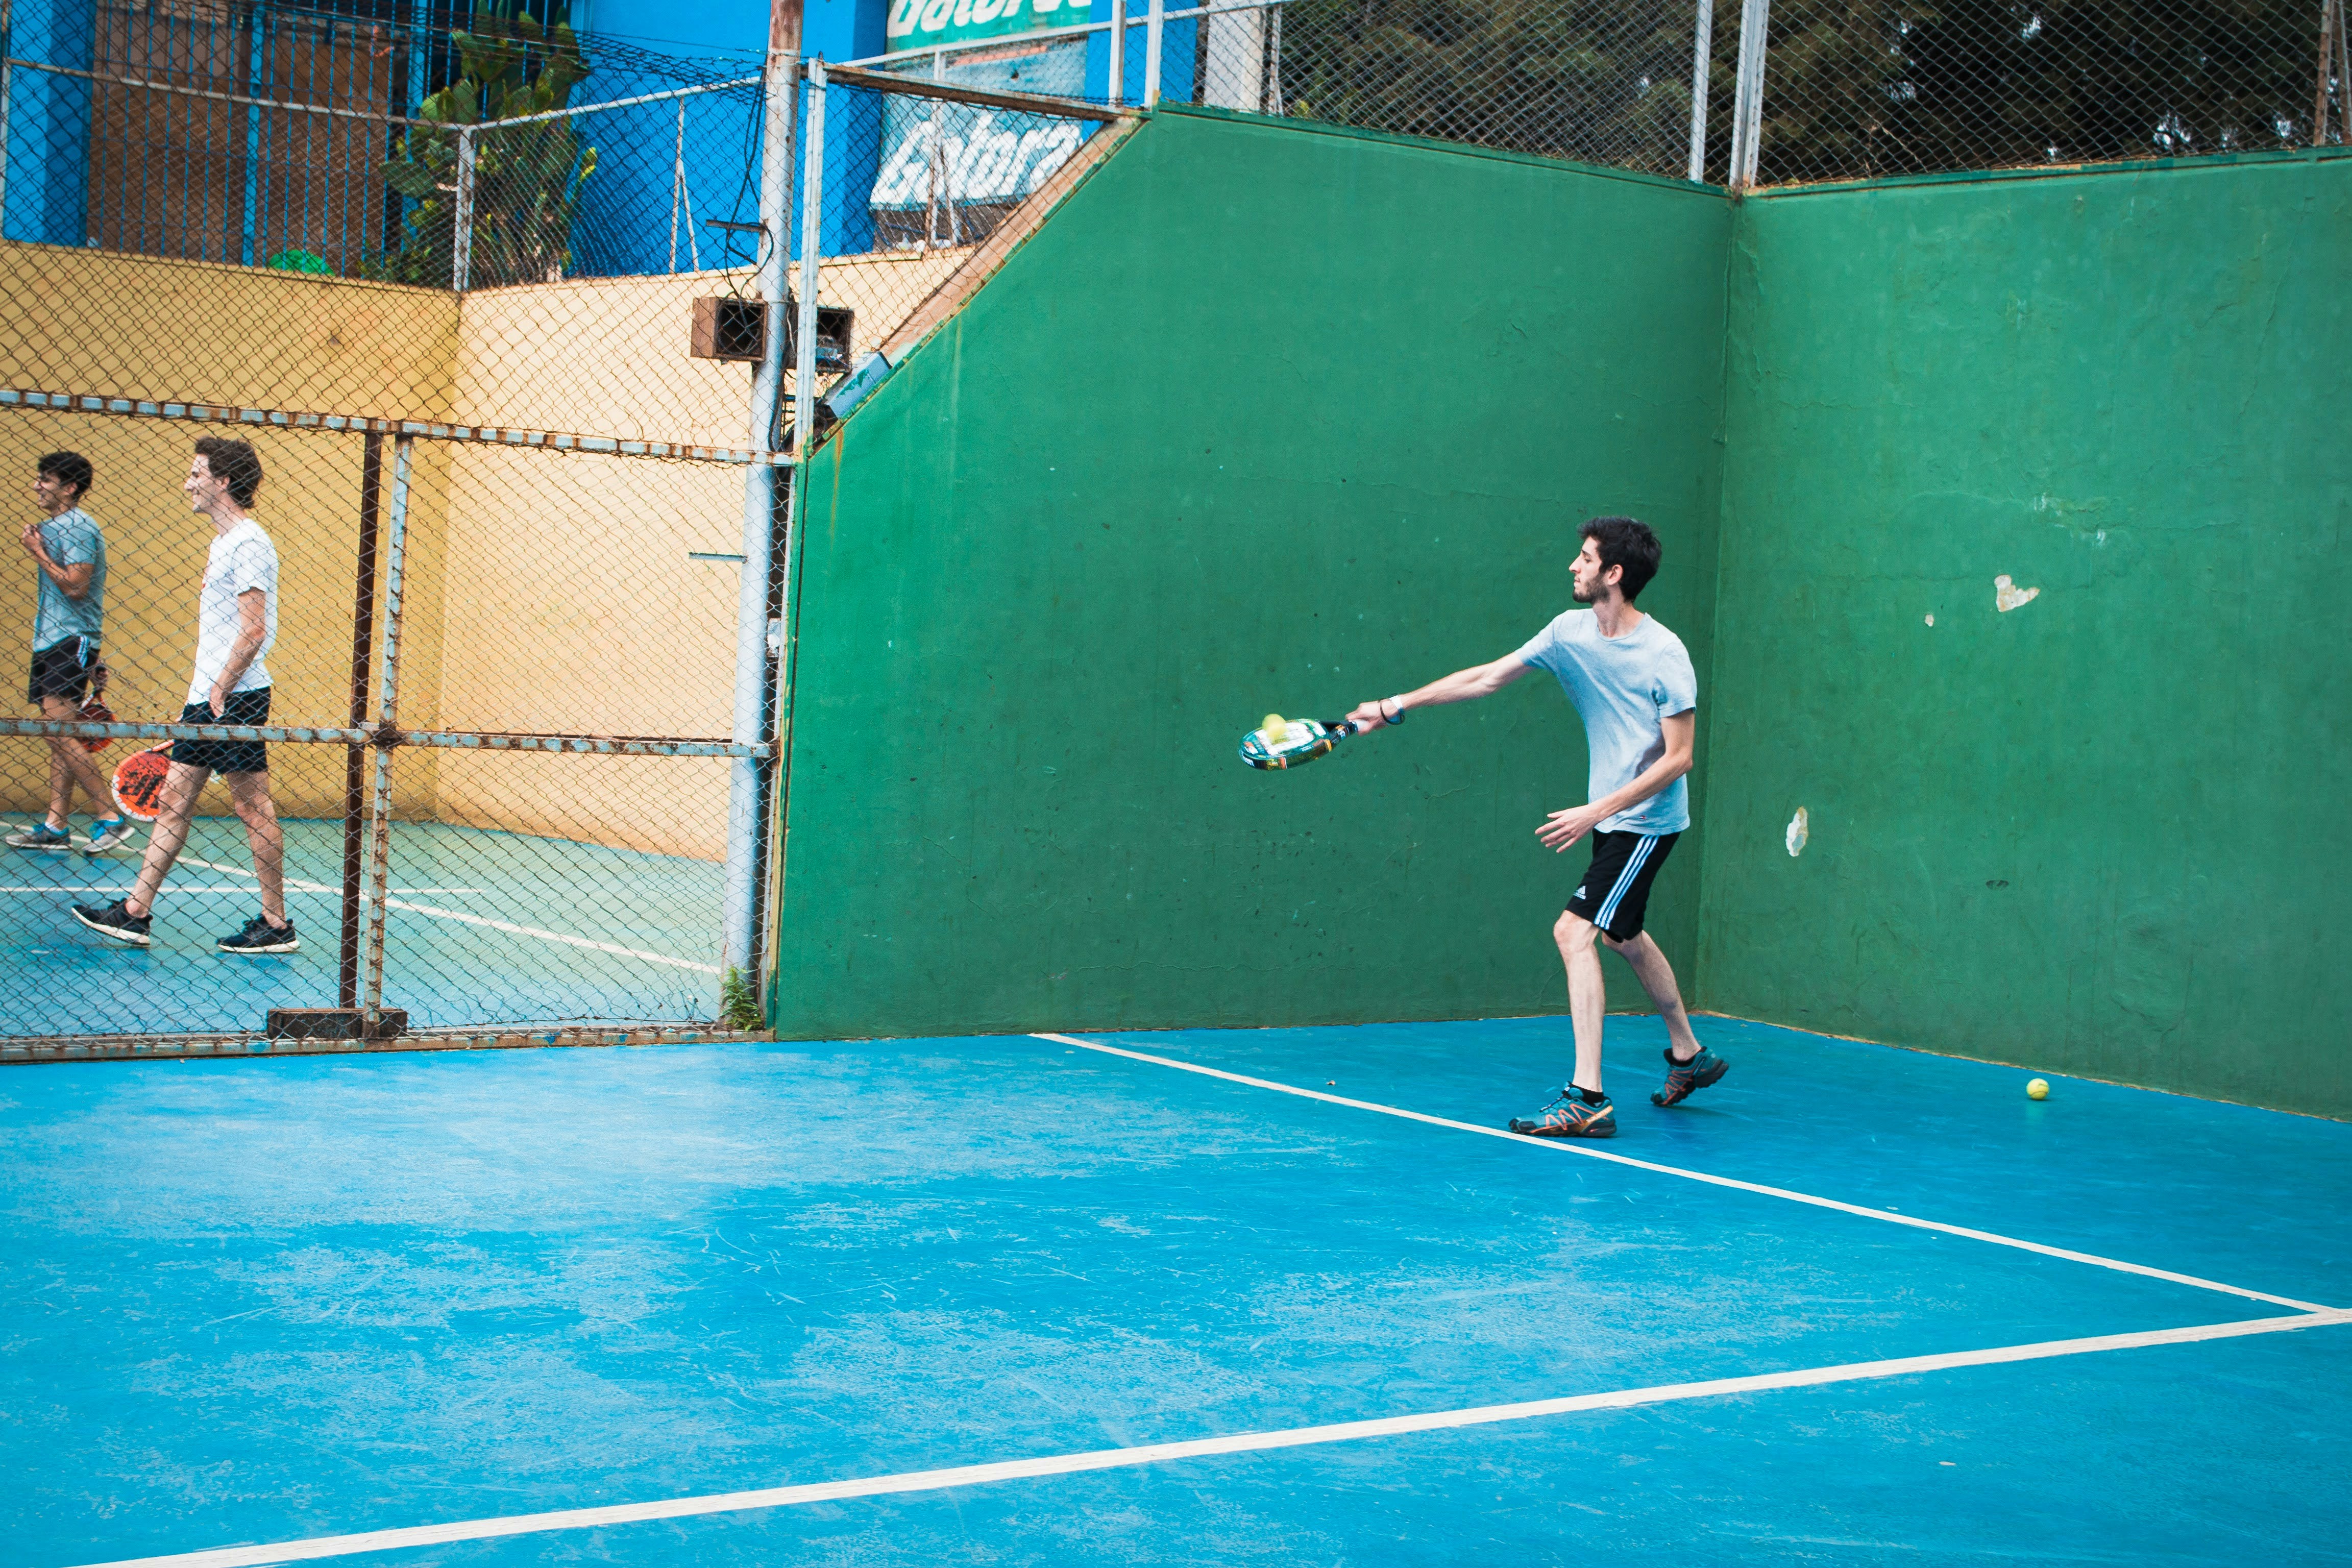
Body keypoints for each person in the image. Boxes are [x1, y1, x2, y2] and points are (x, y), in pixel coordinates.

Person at [1344, 517, 1726, 1139]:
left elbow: (1680, 758)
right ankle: (1690, 1056)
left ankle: (1588, 1099)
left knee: (1573, 933)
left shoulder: (1665, 654)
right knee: (1621, 934)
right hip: (1610, 813)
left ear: (1614, 574)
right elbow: (1487, 677)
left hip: (1646, 819)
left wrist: (1596, 811)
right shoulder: (1569, 633)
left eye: (1584, 558)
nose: (1572, 567)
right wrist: (1396, 708)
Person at [73, 438, 297, 953]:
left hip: (235, 697)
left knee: (253, 807)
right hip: (210, 697)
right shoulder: (223, 543)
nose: (188, 483)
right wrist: (200, 695)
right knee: (175, 800)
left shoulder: (249, 543)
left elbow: (255, 629)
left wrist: (219, 689)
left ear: (223, 481)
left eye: (197, 473)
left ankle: (277, 924)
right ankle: (135, 912)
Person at [11, 451, 136, 855]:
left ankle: (109, 817)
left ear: (70, 488)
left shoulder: (80, 525)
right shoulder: (56, 526)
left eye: (45, 480)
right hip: (55, 640)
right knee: (58, 733)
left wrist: (37, 552)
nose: (36, 486)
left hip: (70, 641)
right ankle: (55, 825)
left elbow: (77, 587)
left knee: (57, 730)